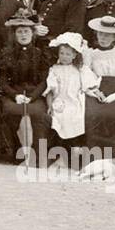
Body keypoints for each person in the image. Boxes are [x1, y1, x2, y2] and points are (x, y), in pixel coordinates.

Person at [0, 9, 52, 161]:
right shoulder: (7, 54)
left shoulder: (39, 54)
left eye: (26, 31)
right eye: (20, 32)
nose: (23, 35)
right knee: (11, 111)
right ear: (14, 34)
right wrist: (15, 95)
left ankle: (38, 155)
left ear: (32, 33)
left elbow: (44, 81)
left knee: (38, 114)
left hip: (34, 95)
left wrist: (32, 97)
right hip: (13, 94)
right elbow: (3, 81)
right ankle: (17, 153)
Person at [82, 15, 115, 153]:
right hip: (97, 90)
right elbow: (87, 77)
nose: (103, 38)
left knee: (113, 115)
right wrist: (94, 92)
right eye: (101, 34)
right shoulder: (91, 53)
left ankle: (113, 155)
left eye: (108, 35)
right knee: (91, 114)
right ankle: (93, 156)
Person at [44, 33, 96, 162]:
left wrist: (96, 92)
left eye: (68, 54)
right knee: (58, 119)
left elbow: (88, 86)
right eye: (62, 53)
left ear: (74, 55)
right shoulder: (54, 69)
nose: (64, 57)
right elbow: (50, 90)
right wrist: (50, 105)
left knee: (75, 117)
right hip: (59, 101)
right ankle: (57, 153)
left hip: (74, 101)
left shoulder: (79, 70)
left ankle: (74, 154)